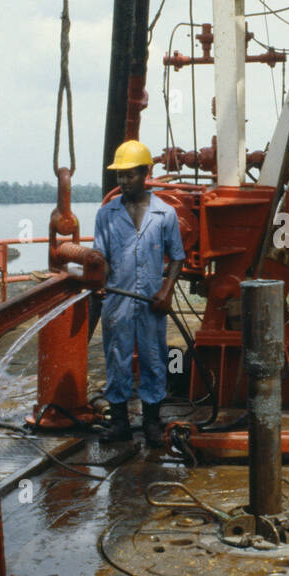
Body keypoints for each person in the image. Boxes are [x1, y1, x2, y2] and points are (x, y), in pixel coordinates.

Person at [94, 140, 184, 446]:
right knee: (116, 358)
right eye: (120, 175)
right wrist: (96, 279)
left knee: (154, 359)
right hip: (117, 301)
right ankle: (119, 423)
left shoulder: (165, 214)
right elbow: (101, 257)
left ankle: (151, 423)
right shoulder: (106, 214)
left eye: (129, 174)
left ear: (146, 173)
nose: (123, 181)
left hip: (151, 302)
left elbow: (178, 257)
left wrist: (166, 292)